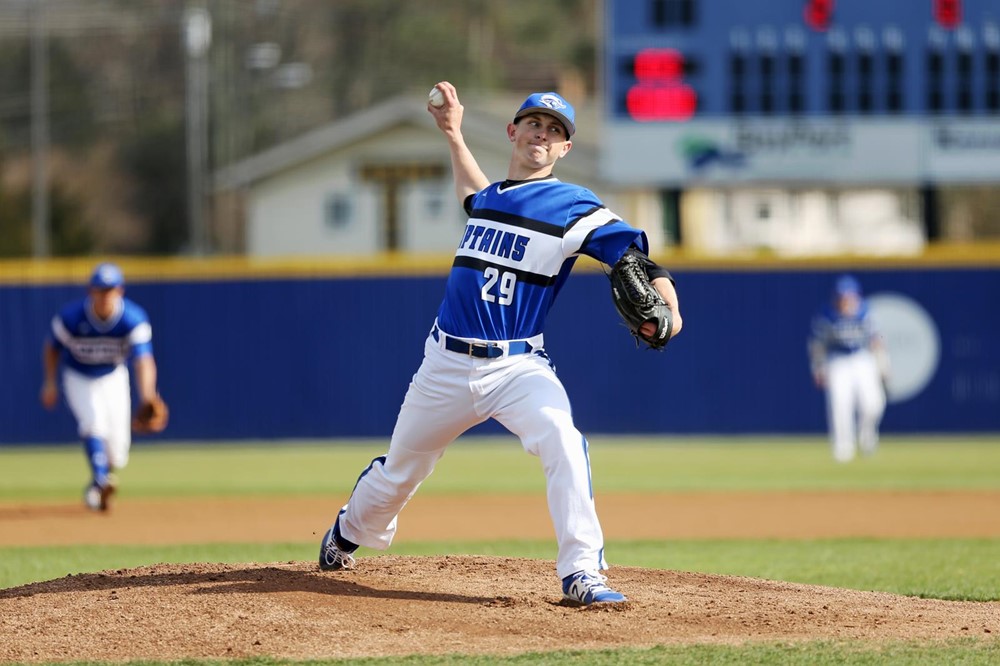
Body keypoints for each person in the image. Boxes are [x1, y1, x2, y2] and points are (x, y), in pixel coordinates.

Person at [317, 83, 682, 605]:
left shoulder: (573, 204)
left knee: (562, 437)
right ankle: (346, 534)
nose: (543, 133)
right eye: (534, 123)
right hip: (443, 363)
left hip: (517, 367)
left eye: (555, 130)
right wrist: (452, 134)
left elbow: (637, 262)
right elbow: (473, 193)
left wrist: (672, 310)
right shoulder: (490, 200)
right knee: (401, 472)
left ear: (564, 149)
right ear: (513, 131)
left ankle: (582, 573)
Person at [40, 262, 163, 511]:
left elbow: (143, 361)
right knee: (93, 422)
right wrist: (50, 382)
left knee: (118, 453)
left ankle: (97, 484)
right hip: (78, 376)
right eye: (100, 290)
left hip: (113, 376)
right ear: (91, 291)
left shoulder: (132, 318)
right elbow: (52, 349)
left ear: (120, 291)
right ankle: (100, 479)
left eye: (110, 289)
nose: (105, 295)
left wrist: (148, 395)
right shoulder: (72, 317)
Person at [808, 275, 889, 463]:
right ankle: (843, 448)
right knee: (839, 404)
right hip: (838, 361)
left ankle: (866, 435)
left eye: (849, 295)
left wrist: (883, 364)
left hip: (862, 358)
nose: (846, 300)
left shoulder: (865, 312)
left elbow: (877, 341)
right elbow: (817, 344)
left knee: (874, 403)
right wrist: (818, 367)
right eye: (842, 296)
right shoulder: (827, 314)